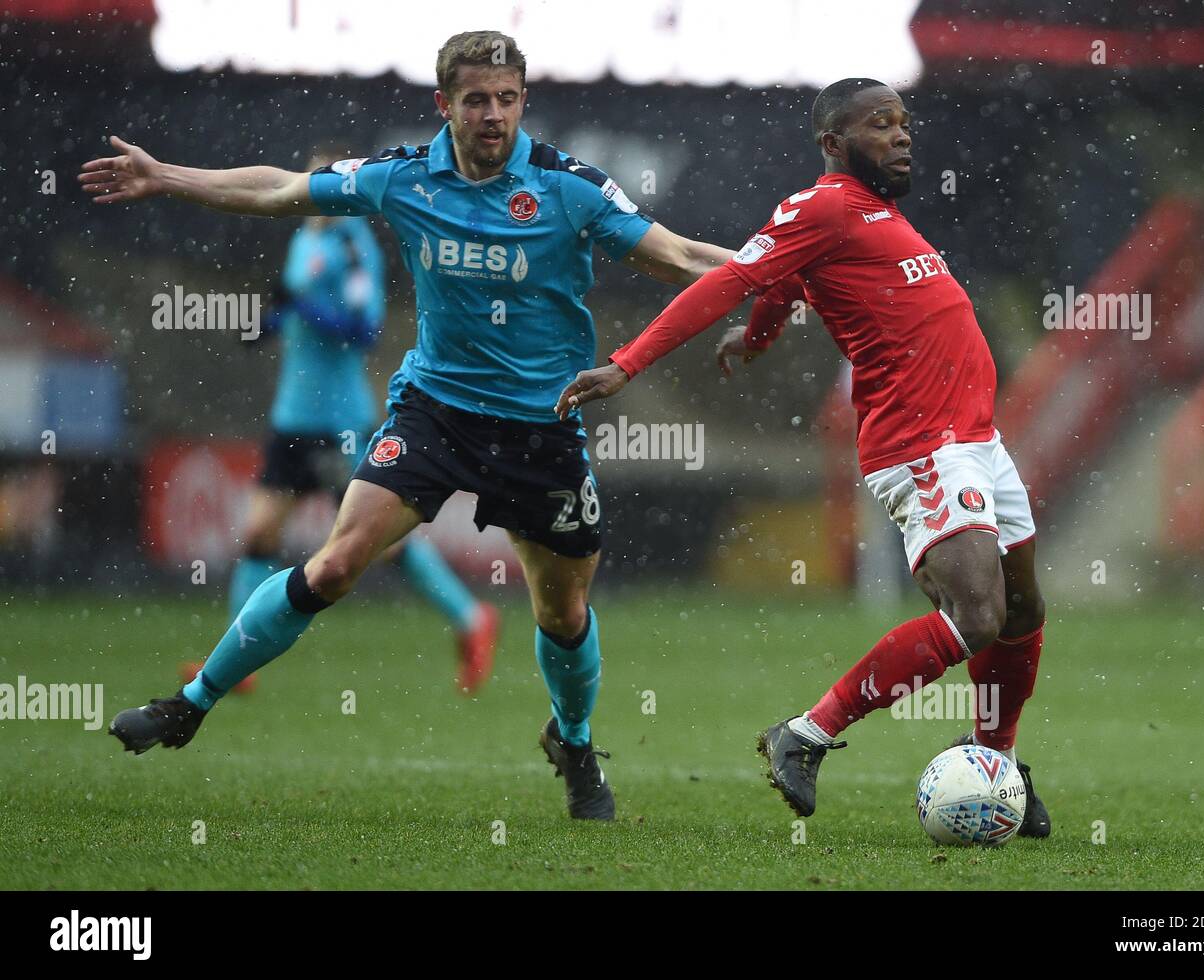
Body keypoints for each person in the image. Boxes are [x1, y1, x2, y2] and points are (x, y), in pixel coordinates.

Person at [81, 30, 734, 821]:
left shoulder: (571, 188)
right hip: (435, 414)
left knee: (562, 614)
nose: (493, 115)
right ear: (445, 104)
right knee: (333, 565)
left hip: (542, 427)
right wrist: (166, 177)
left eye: (506, 98)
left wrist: (778, 273)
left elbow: (678, 257)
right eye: (475, 100)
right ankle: (191, 702)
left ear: (524, 99)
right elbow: (278, 190)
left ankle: (574, 741)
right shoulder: (400, 179)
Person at [556, 78, 1050, 836]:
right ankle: (808, 734)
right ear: (832, 142)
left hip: (976, 438)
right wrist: (626, 364)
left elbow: (784, 286)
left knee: (1021, 610)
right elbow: (732, 278)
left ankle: (997, 760)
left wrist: (755, 337)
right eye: (879, 125)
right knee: (976, 614)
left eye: (904, 122)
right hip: (922, 444)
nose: (900, 135)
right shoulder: (817, 206)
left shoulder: (873, 216)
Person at [223, 149, 497, 694]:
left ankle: (472, 618)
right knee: (257, 533)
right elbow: (294, 303)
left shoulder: (354, 246)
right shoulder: (304, 237)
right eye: (312, 179)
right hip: (291, 414)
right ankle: (240, 663)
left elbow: (362, 329)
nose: (316, 190)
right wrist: (268, 322)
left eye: (326, 181)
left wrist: (303, 310)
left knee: (382, 542)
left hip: (339, 417)